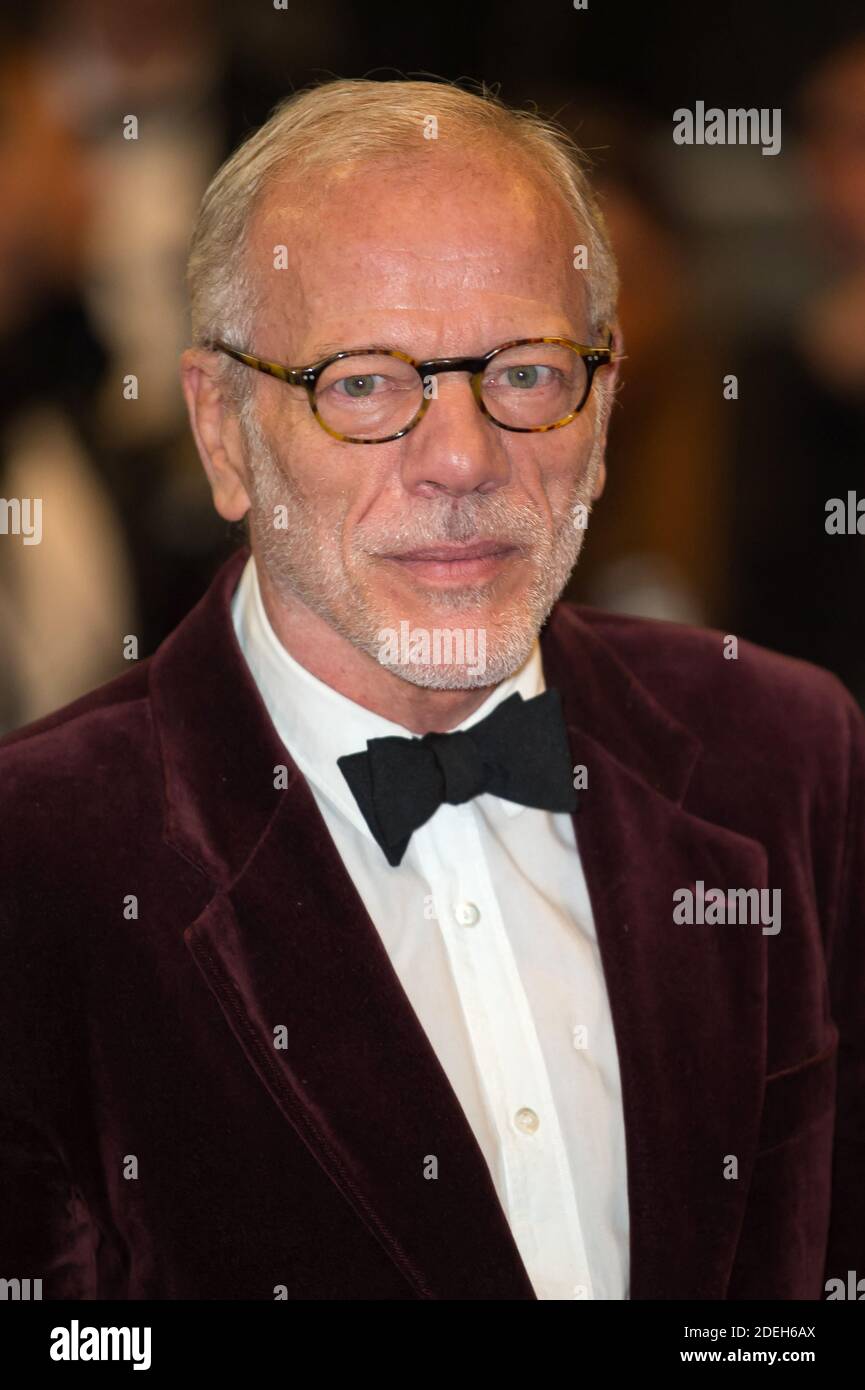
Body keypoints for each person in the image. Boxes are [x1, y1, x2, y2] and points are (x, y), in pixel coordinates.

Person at [0, 77, 862, 1302]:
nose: (461, 457)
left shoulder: (789, 758)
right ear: (224, 433)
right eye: (361, 383)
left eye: (523, 373)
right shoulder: (36, 866)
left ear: (604, 409)